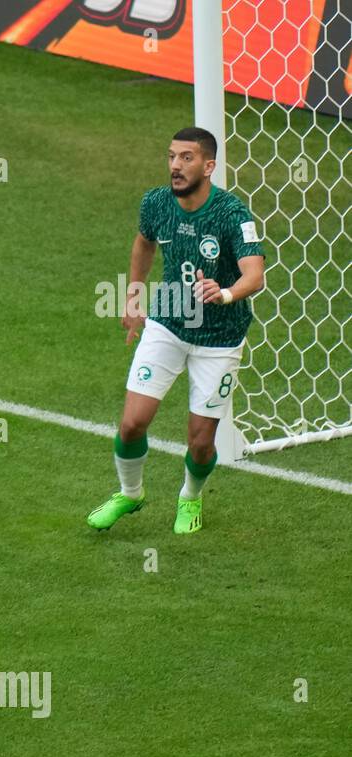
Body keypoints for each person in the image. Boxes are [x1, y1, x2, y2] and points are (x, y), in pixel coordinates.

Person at [88, 127, 266, 535]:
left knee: (201, 443)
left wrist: (223, 294)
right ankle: (130, 494)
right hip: (167, 323)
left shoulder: (231, 214)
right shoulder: (156, 203)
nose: (175, 166)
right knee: (132, 423)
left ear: (209, 166)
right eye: (171, 156)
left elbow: (254, 275)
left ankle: (190, 497)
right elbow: (143, 243)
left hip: (219, 338)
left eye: (186, 158)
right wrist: (133, 299)